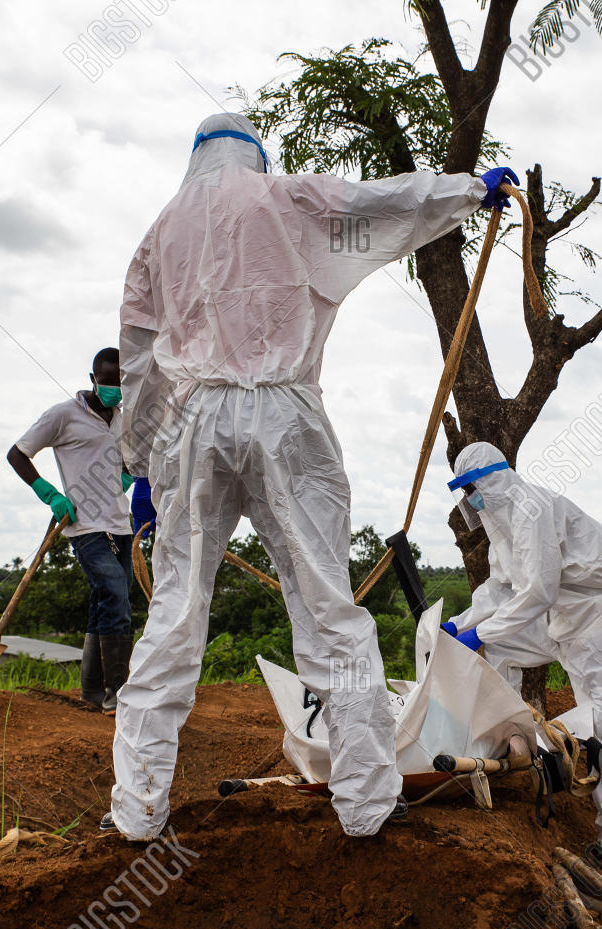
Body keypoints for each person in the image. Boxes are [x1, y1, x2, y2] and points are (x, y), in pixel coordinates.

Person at [106, 110, 520, 841]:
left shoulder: (159, 232)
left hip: (191, 424)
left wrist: (140, 463)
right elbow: (379, 205)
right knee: (329, 610)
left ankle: (137, 815)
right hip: (285, 418)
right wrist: (466, 192)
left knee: (172, 617)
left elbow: (137, 356)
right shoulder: (284, 199)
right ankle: (366, 806)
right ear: (253, 156)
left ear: (195, 156)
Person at [442, 441, 602, 870]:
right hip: (563, 619)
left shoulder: (531, 509)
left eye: (471, 488)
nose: (470, 499)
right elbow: (501, 589)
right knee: (495, 649)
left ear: (492, 479)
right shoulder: (501, 521)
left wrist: (481, 631)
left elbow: (536, 591)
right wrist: (460, 624)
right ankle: (508, 747)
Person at [7, 347, 135, 714]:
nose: (113, 389)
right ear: (93, 379)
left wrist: (125, 477)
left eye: (120, 383)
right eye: (107, 382)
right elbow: (17, 453)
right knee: (114, 592)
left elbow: (130, 460)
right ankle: (118, 696)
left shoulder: (123, 420)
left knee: (107, 601)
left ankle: (92, 695)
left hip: (119, 525)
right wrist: (48, 493)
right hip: (82, 526)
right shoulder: (63, 415)